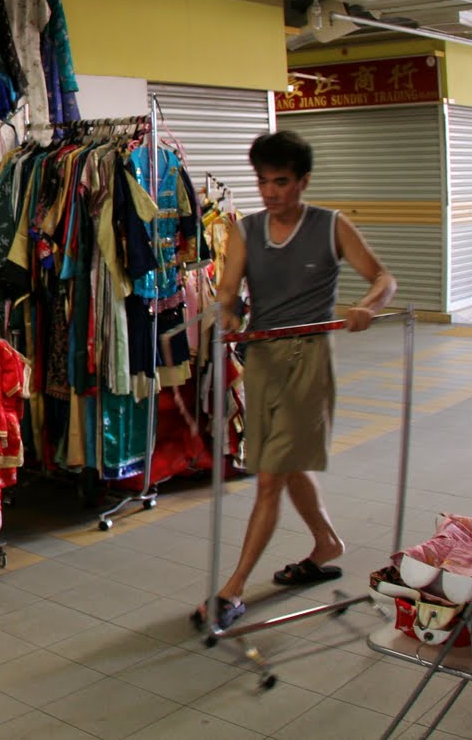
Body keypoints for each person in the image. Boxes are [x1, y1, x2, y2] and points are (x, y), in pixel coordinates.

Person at [196, 130, 396, 630]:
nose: (270, 193)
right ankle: (327, 542)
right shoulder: (245, 230)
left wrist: (367, 307)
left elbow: (383, 278)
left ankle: (233, 588)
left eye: (281, 182)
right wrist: (225, 316)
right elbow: (227, 292)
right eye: (263, 182)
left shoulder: (332, 226)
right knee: (282, 463)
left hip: (309, 359)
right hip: (262, 358)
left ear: (303, 181)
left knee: (270, 477)